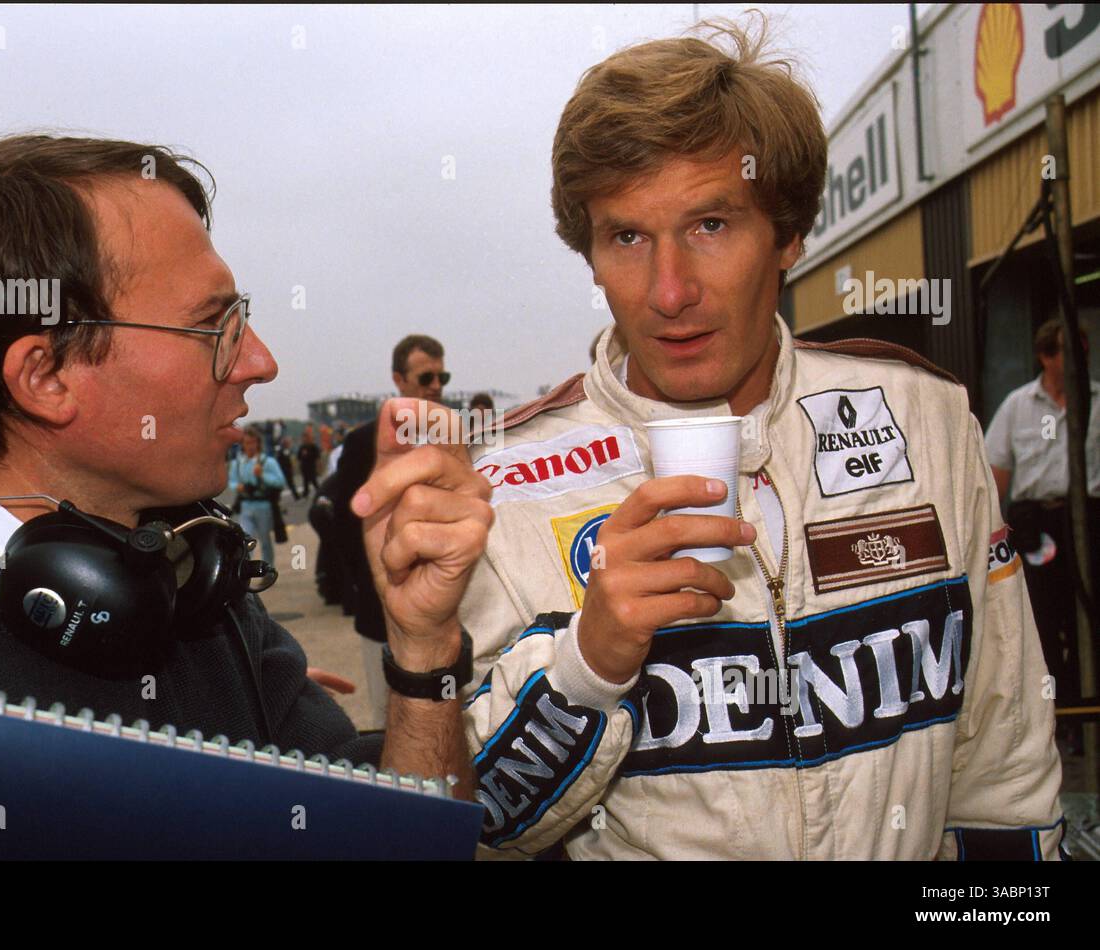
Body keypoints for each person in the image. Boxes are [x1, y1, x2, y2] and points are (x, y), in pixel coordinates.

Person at [455, 20, 1063, 859]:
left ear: (788, 236)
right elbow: (480, 828)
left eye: (710, 225)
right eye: (627, 236)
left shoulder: (924, 415)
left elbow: (1003, 761)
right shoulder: (509, 483)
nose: (670, 291)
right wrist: (585, 670)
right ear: (590, 258)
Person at [0, 134, 480, 796]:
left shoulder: (194, 583)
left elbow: (386, 841)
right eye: (215, 328)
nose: (260, 363)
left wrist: (424, 652)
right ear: (46, 378)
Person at [985, 316, 1100, 738]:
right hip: (1039, 522)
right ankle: (1062, 718)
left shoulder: (1096, 399)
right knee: (1044, 619)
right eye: (1069, 351)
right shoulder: (1019, 405)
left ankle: (1090, 707)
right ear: (1045, 357)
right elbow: (996, 471)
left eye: (1082, 350)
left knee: (1087, 616)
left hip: (1087, 515)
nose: (1079, 358)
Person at [327, 335, 448, 727]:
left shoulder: (453, 437)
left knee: (449, 714)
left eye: (441, 375)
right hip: (383, 603)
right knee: (388, 716)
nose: (436, 385)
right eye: (425, 376)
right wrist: (365, 583)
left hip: (448, 602)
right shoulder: (364, 442)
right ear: (398, 379)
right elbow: (344, 522)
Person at [230, 427, 285, 571]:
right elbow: (232, 481)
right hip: (246, 505)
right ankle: (246, 571)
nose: (250, 446)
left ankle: (268, 569)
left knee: (265, 540)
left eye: (253, 442)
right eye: (247, 443)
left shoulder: (268, 462)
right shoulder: (238, 464)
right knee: (245, 540)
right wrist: (238, 487)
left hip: (264, 505)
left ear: (258, 443)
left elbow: (280, 481)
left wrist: (262, 476)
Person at [297, 426, 321, 497]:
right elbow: (299, 458)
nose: (304, 439)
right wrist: (299, 465)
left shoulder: (313, 446)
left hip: (311, 466)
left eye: (306, 438)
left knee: (314, 480)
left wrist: (318, 467)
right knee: (305, 481)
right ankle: (305, 493)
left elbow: (318, 458)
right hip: (304, 467)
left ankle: (319, 491)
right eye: (303, 438)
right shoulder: (302, 447)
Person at [276, 434, 300, 500]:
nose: (290, 444)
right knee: (290, 484)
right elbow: (287, 460)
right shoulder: (285, 450)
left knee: (286, 484)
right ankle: (296, 496)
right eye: (289, 443)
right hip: (285, 469)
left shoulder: (281, 450)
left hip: (283, 469)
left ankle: (296, 496)